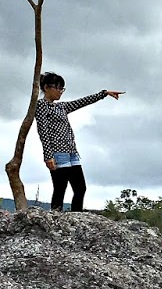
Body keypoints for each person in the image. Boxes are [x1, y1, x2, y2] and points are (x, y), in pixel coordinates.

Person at [35, 72, 122, 211]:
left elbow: (82, 102)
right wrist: (48, 155)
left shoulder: (61, 107)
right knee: (60, 189)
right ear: (46, 87)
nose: (60, 92)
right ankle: (55, 220)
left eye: (62, 89)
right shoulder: (41, 106)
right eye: (58, 88)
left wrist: (104, 93)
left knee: (80, 188)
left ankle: (77, 218)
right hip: (57, 153)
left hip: (72, 153)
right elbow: (43, 131)